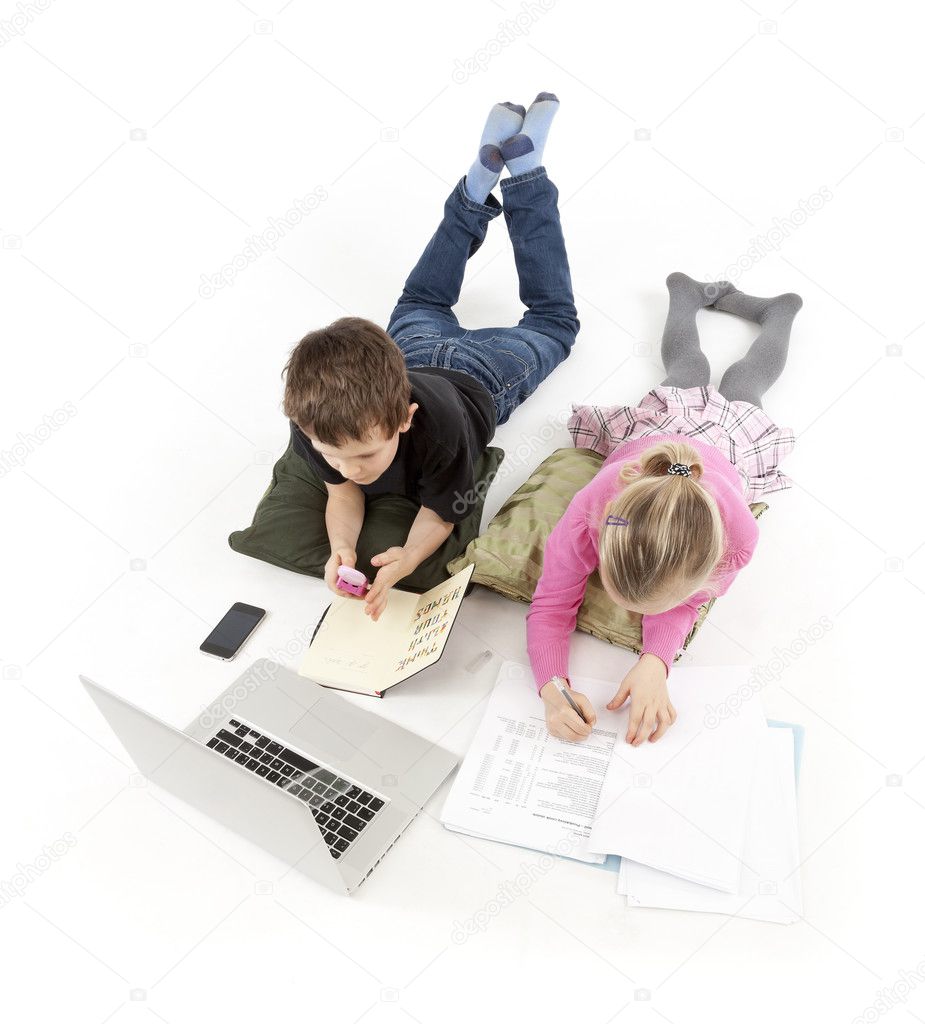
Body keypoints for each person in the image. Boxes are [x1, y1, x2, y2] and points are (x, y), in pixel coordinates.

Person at [282, 94, 579, 619]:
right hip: (411, 354)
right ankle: (479, 182)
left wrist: (409, 557)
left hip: (488, 374)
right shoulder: (316, 423)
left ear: (404, 418)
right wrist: (342, 550)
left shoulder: (440, 431)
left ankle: (526, 174)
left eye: (365, 456)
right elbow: (340, 494)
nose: (349, 468)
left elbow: (441, 513)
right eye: (332, 454)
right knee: (420, 301)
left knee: (554, 321)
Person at [527, 272, 802, 744]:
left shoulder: (737, 540)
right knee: (685, 370)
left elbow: (688, 602)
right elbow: (551, 605)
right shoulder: (592, 511)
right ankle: (687, 294)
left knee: (746, 382)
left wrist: (656, 660)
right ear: (603, 540)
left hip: (728, 450)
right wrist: (552, 688)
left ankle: (779, 312)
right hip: (661, 438)